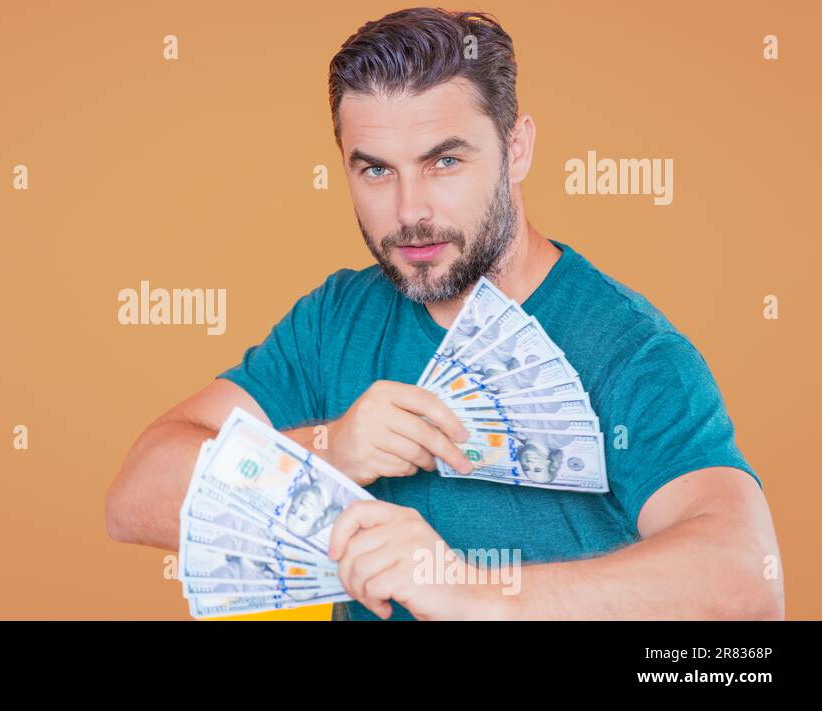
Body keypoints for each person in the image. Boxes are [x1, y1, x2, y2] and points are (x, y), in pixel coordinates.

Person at [106, 8, 783, 620]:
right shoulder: (336, 320)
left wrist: (472, 590)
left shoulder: (629, 351)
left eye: (445, 161)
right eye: (375, 171)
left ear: (517, 149)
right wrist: (326, 448)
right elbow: (135, 495)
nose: (409, 211)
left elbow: (747, 574)